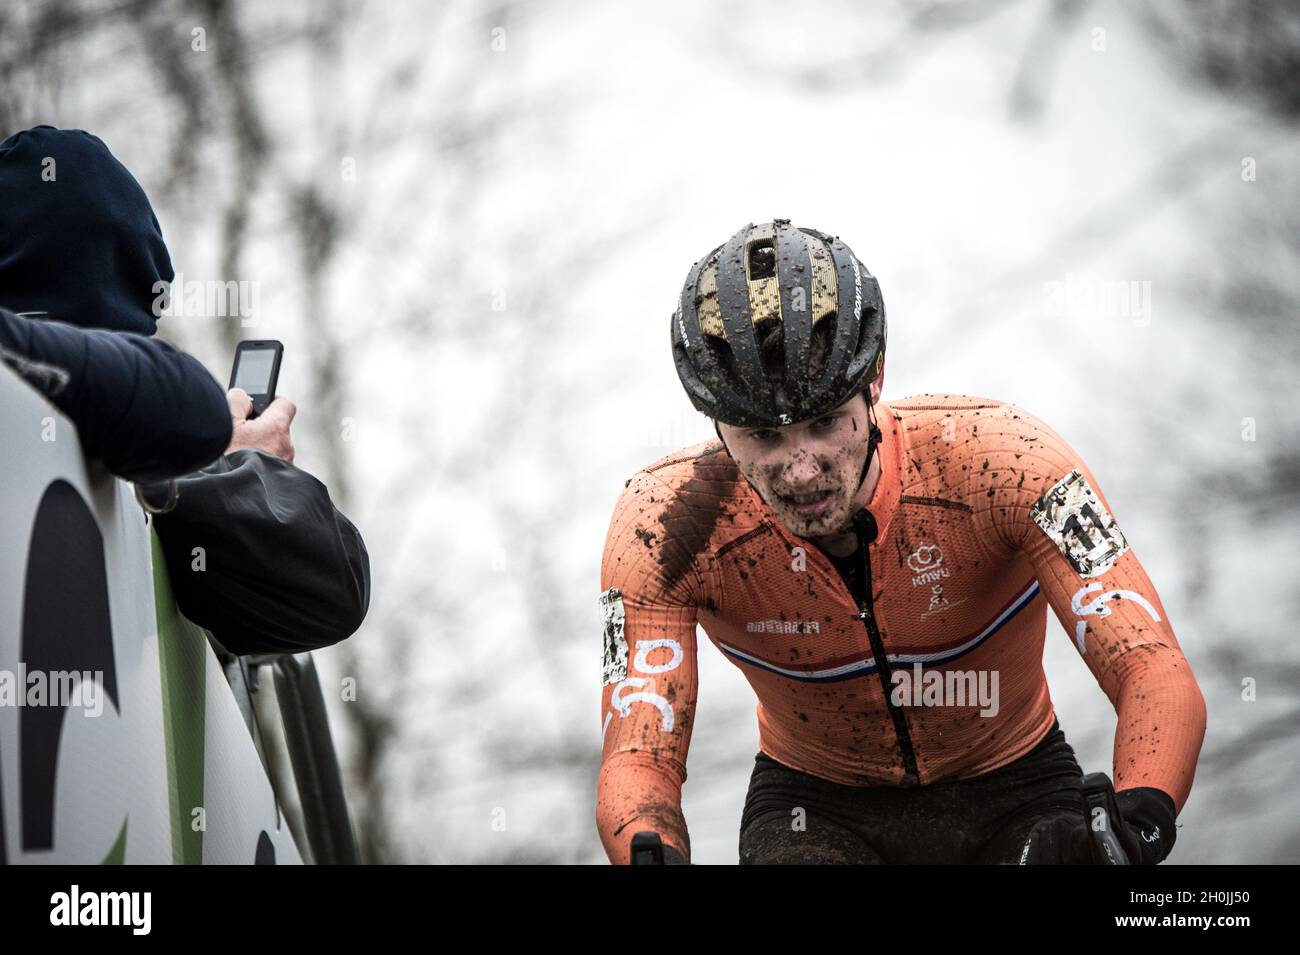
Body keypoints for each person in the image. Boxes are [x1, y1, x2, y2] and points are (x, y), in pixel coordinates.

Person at [596, 220, 1206, 864]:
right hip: (815, 808)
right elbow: (639, 755)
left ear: (874, 381)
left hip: (1017, 784)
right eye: (762, 437)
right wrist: (648, 848)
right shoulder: (664, 528)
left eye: (825, 422)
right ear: (715, 423)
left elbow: (1151, 667)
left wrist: (1138, 817)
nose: (801, 469)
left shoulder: (1007, 462)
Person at [0, 124, 369, 656]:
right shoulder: (153, 425)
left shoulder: (131, 465)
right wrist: (216, 457)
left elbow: (332, 589)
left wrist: (185, 481)